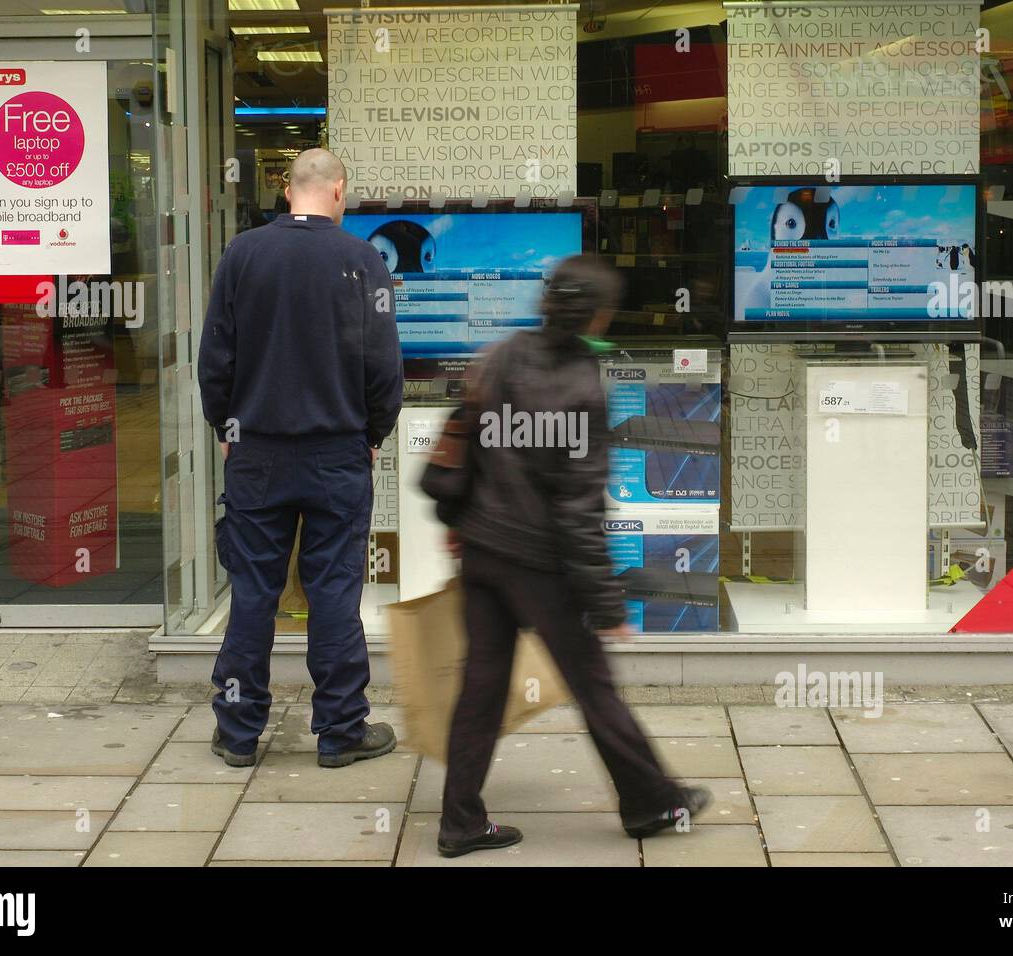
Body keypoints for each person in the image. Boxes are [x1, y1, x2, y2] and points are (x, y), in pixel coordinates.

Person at [435, 255, 711, 857]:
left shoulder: (506, 353)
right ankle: (651, 802)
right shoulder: (584, 387)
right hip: (540, 566)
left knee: (481, 688)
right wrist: (605, 601)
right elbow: (578, 511)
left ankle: (460, 822)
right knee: (594, 688)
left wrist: (458, 525)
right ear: (598, 316)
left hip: (482, 551)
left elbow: (471, 440)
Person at [197, 148, 403, 769]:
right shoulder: (364, 260)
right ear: (338, 191)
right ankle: (341, 731)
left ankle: (237, 733)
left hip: (257, 451)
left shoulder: (243, 255)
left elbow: (215, 358)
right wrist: (373, 432)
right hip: (336, 454)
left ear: (290, 190)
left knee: (254, 590)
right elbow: (383, 367)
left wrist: (224, 425)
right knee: (335, 591)